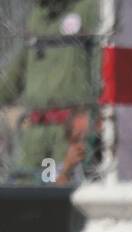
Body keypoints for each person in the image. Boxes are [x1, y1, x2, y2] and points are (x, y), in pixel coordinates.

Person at [0, 0, 100, 184]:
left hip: (68, 129)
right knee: (24, 190)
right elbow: (18, 69)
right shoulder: (37, 16)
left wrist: (94, 112)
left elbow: (102, 64)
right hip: (35, 128)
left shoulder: (88, 9)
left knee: (60, 193)